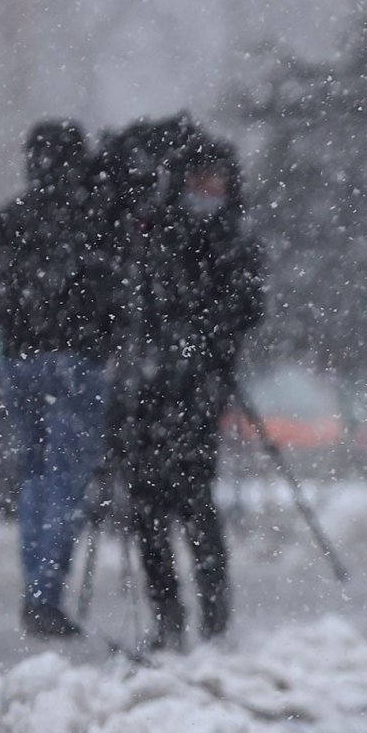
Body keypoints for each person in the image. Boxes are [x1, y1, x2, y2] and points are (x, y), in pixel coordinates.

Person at [105, 118, 265, 650]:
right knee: (149, 503)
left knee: (194, 499)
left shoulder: (234, 239)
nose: (207, 190)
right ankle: (168, 614)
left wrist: (204, 343)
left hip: (201, 387)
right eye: (198, 179)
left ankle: (214, 614)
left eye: (214, 179)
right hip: (151, 386)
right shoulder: (158, 233)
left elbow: (247, 309)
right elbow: (139, 305)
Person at [0, 120, 116, 637]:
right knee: (65, 482)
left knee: (33, 477)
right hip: (77, 361)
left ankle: (36, 584)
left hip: (20, 360)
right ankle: (45, 594)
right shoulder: (95, 222)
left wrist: (12, 328)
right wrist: (99, 338)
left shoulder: (6, 221)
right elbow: (120, 297)